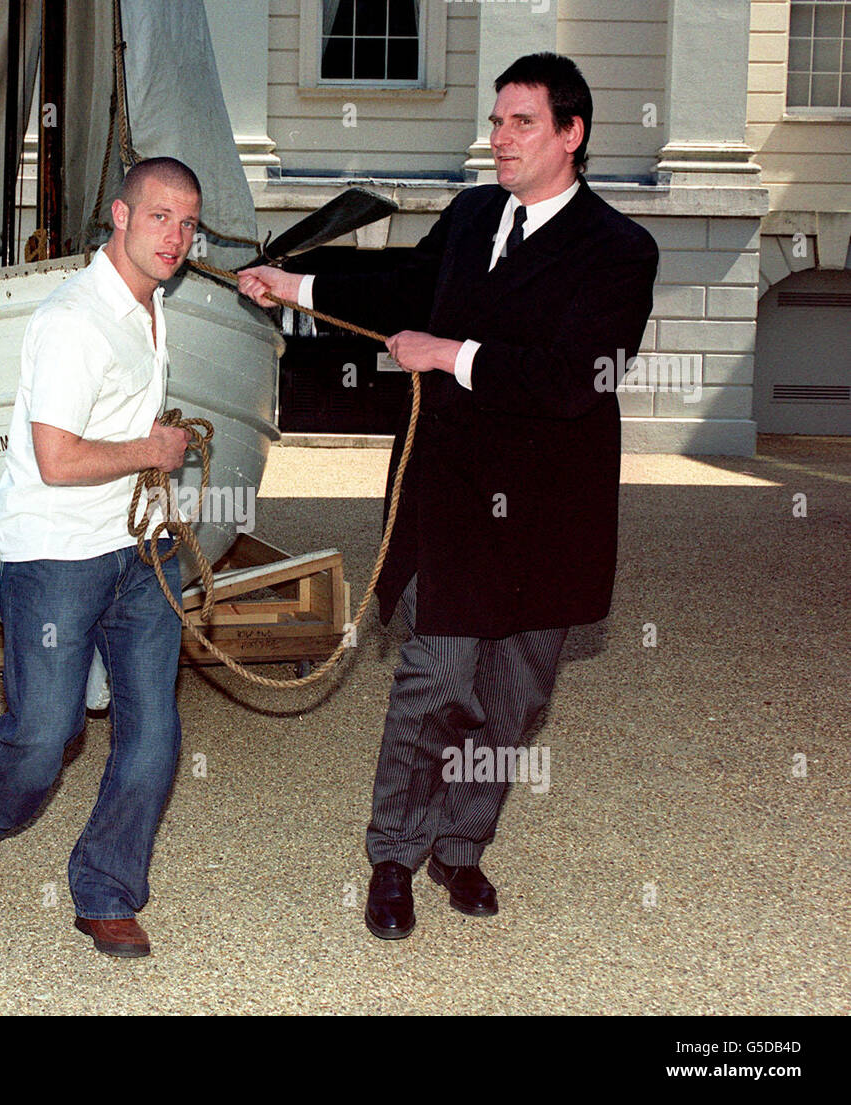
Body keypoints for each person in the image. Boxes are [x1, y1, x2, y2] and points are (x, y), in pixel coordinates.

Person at [240, 53, 658, 936]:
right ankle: (392, 856)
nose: (497, 139)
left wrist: (450, 353)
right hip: (454, 501)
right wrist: (294, 286)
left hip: (549, 520)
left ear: (571, 135)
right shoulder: (472, 214)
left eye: (520, 124)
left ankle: (460, 849)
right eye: (496, 121)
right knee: (432, 684)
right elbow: (401, 286)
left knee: (512, 702)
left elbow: (577, 378)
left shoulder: (622, 250)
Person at [0, 157, 199, 959]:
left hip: (142, 544)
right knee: (46, 734)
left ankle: (106, 890)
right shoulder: (73, 319)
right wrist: (152, 447)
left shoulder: (153, 305)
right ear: (118, 216)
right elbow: (55, 458)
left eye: (189, 223)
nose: (176, 237)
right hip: (58, 553)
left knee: (153, 729)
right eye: (160, 217)